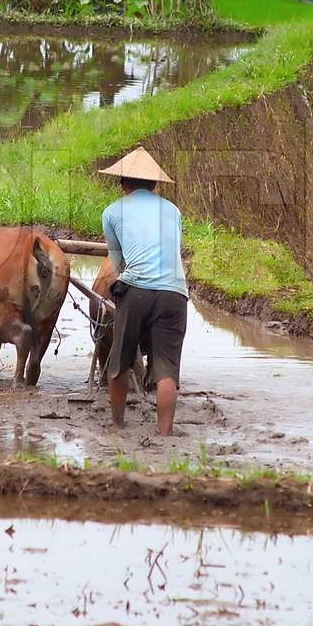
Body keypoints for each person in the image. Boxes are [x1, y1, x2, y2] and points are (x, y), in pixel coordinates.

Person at [98, 147, 187, 436]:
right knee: (167, 370)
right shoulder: (173, 211)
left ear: (123, 184)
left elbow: (118, 261)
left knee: (119, 362)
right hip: (175, 294)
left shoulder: (112, 212)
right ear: (155, 185)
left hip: (136, 289)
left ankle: (117, 423)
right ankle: (165, 434)